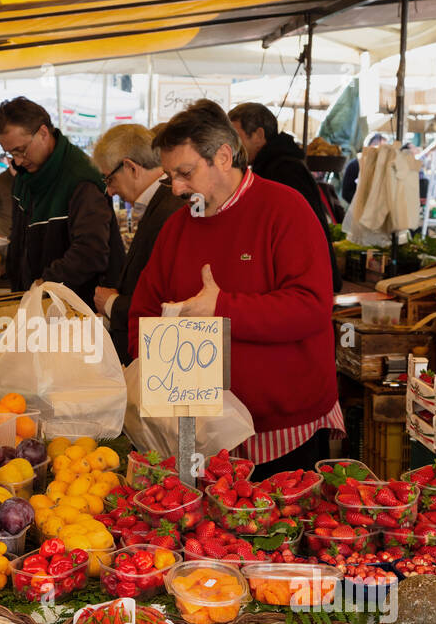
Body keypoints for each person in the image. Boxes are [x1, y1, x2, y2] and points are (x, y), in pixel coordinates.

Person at [128, 100, 341, 473]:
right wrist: (152, 369)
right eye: (169, 176)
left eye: (186, 172)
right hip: (198, 431)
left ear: (224, 157)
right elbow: (142, 311)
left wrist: (222, 307)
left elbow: (311, 306)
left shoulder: (285, 209)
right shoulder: (176, 228)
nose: (177, 187)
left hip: (282, 429)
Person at [0, 96, 124, 301]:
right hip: (38, 306)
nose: (17, 160)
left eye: (21, 150)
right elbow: (21, 238)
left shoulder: (81, 180)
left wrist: (44, 283)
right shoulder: (25, 176)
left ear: (43, 133)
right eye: (10, 153)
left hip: (77, 311)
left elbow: (91, 253)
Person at [90, 123, 185, 362]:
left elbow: (170, 301)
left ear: (131, 167)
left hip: (157, 355)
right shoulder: (162, 204)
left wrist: (113, 303)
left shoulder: (170, 210)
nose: (110, 192)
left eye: (109, 180)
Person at [228, 102, 341, 292]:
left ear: (259, 135)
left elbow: (297, 230)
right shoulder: (275, 164)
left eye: (236, 138)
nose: (231, 147)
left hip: (302, 277)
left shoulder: (283, 169)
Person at [341, 132, 384, 205]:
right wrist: (363, 203)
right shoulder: (354, 165)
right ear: (369, 146)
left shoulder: (382, 166)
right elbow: (346, 193)